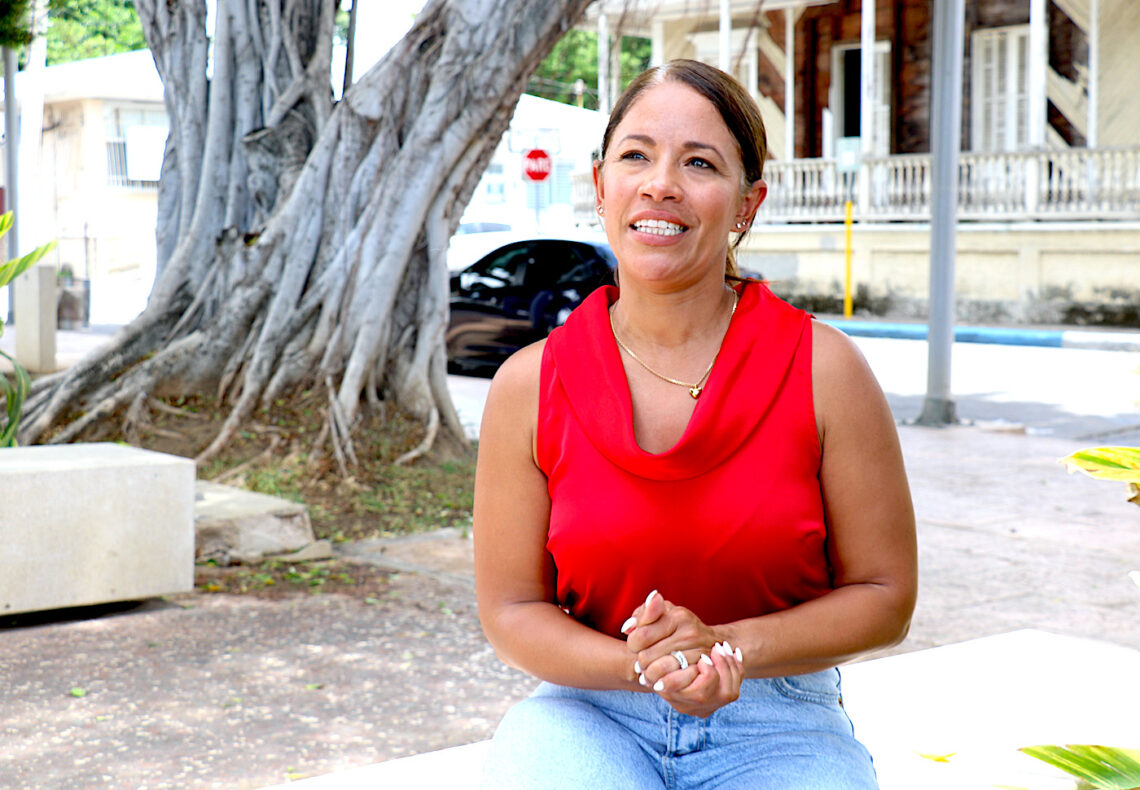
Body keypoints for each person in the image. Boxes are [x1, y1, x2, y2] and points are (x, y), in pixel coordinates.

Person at [473, 59, 917, 789]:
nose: (661, 184)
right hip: (594, 710)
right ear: (600, 186)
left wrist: (724, 650)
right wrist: (644, 665)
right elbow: (512, 609)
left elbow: (885, 595)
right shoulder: (530, 383)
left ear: (748, 203)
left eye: (700, 162)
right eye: (637, 156)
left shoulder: (824, 371)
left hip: (780, 721)